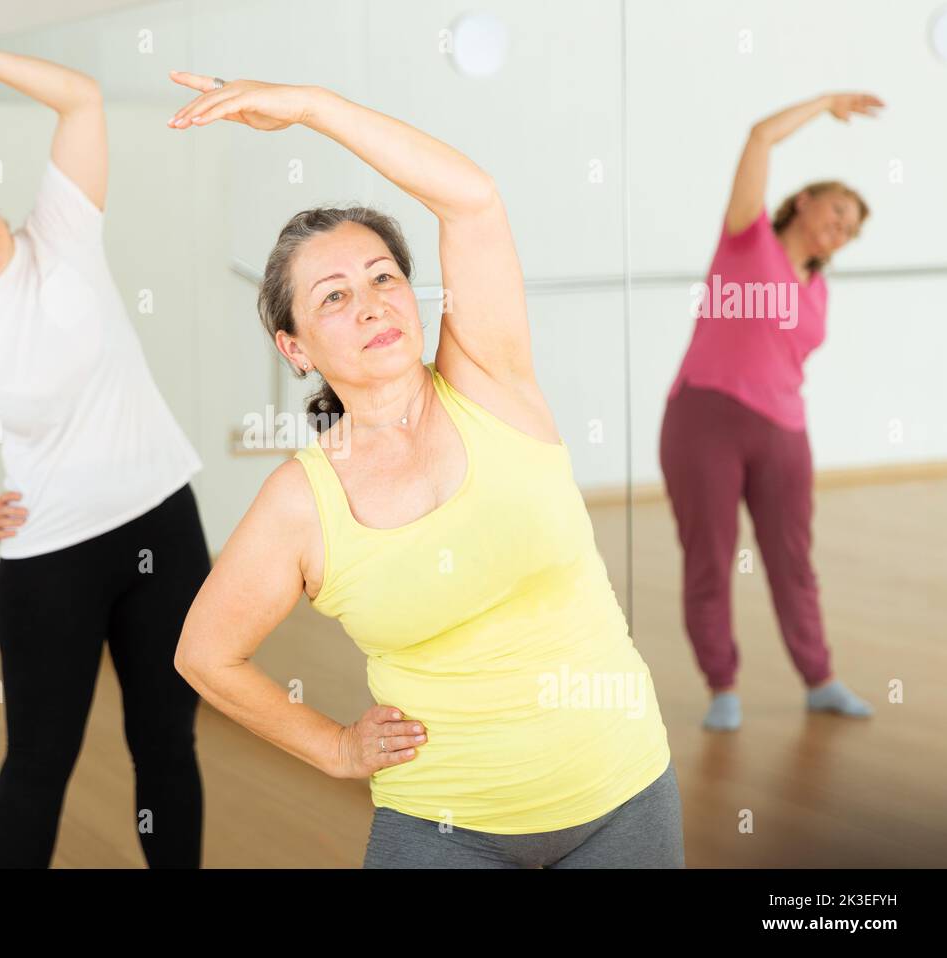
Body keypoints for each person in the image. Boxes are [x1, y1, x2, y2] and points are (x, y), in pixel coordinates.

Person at [171, 73, 682, 868]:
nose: (372, 303)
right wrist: (336, 750)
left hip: (626, 796)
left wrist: (312, 107)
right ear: (295, 348)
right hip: (447, 826)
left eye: (383, 277)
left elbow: (471, 199)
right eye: (333, 297)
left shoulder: (490, 378)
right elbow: (204, 653)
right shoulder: (304, 502)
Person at [0, 45, 210, 869]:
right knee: (40, 762)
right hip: (50, 563)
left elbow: (81, 98)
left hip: (164, 528)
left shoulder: (62, 231)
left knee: (166, 743)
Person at [660, 93, 883, 732]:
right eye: (838, 210)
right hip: (706, 419)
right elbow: (759, 137)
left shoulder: (820, 287)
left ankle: (820, 679)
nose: (844, 228)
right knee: (710, 555)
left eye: (853, 226)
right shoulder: (746, 239)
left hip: (784, 431)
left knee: (793, 558)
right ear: (804, 201)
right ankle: (721, 685)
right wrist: (826, 104)